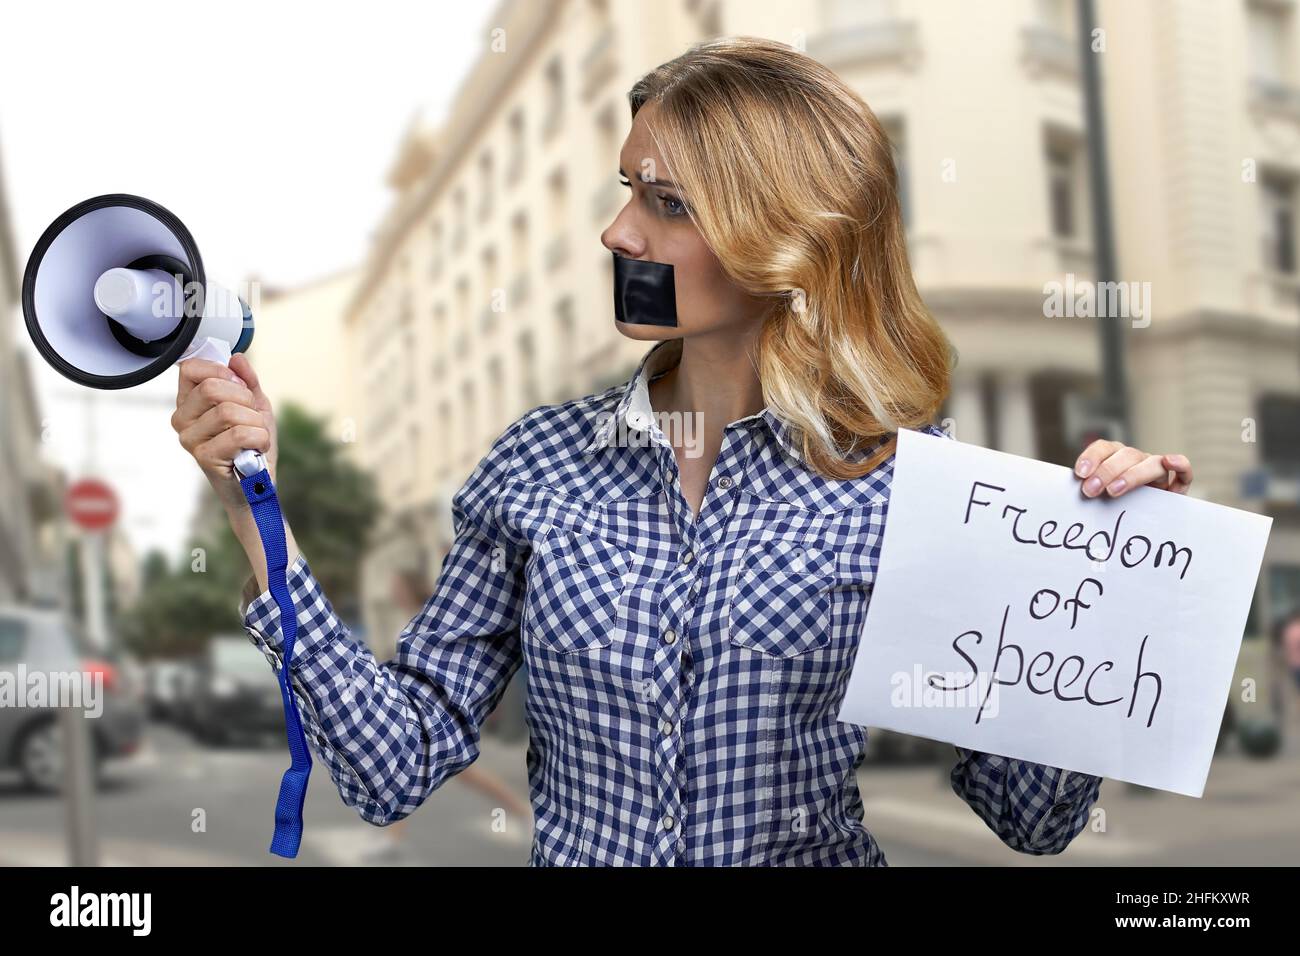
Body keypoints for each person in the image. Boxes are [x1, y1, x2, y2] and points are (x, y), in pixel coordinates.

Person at [170, 36, 1194, 866]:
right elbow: (391, 766)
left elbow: (1033, 816)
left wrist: (1099, 576)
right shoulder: (537, 464)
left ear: (779, 235)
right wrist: (247, 504)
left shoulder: (907, 480)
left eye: (666, 204)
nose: (618, 234)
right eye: (627, 190)